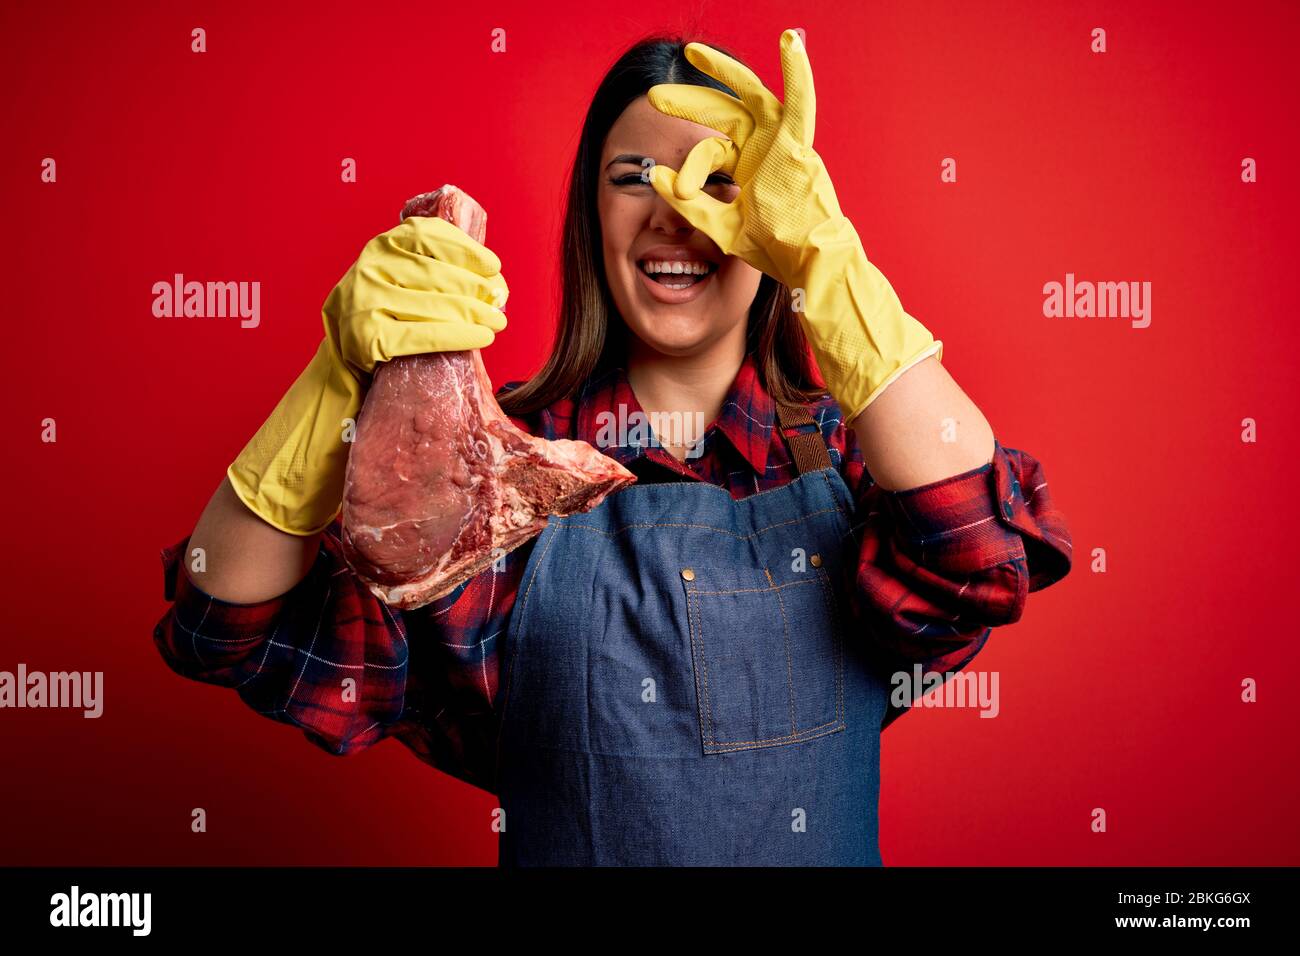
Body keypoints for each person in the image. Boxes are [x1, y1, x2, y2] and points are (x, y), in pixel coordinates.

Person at [152, 29, 1072, 866]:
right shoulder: (490, 466)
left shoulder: (853, 455)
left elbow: (980, 559)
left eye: (717, 183)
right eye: (634, 177)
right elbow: (224, 627)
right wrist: (338, 378)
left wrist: (832, 267)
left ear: (774, 226)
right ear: (590, 214)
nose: (674, 216)